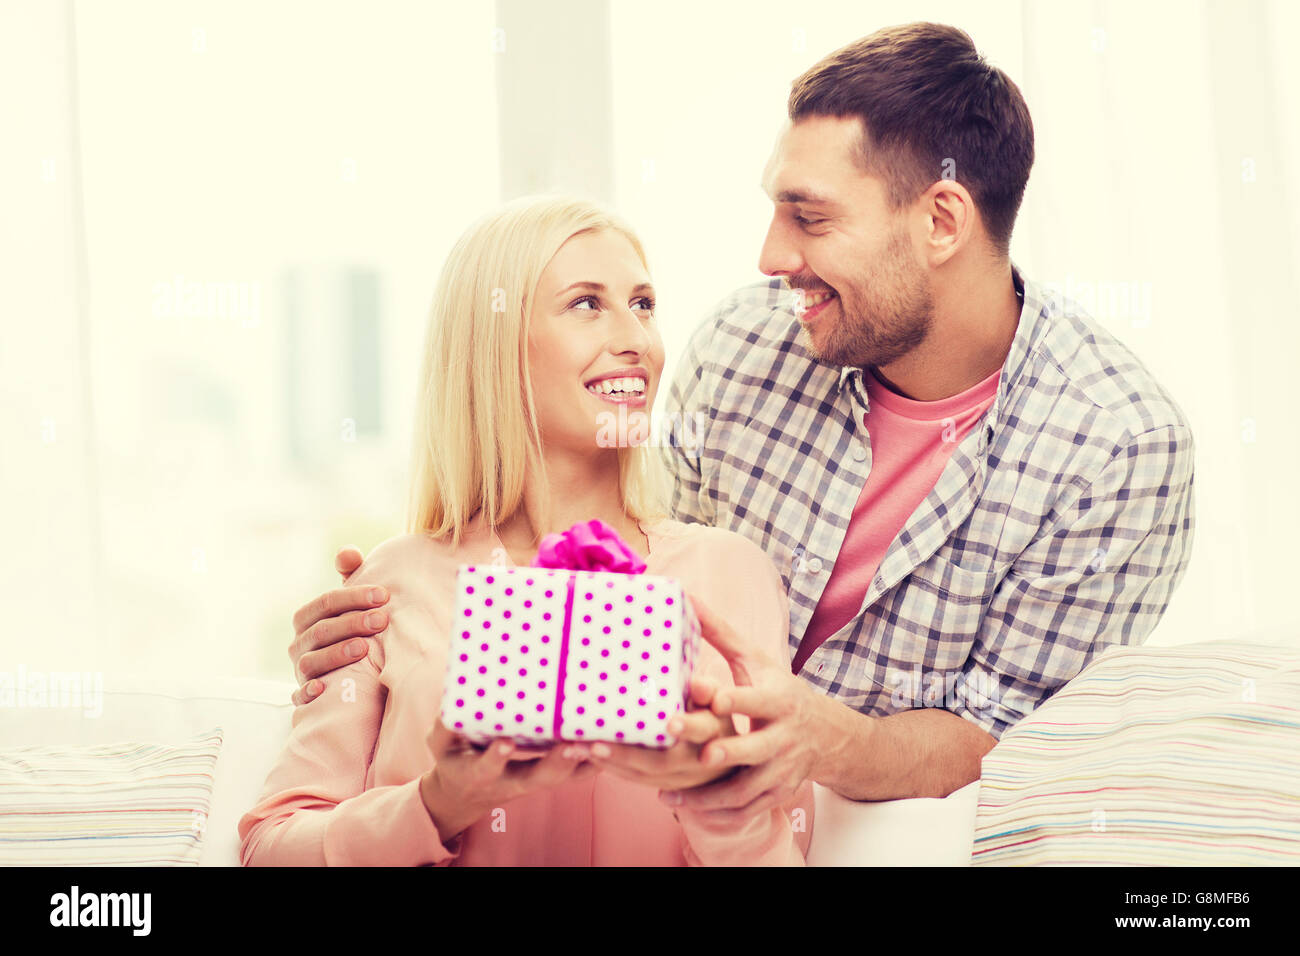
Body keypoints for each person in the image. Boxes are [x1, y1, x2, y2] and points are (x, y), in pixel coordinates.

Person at [289, 22, 1195, 826]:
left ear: (942, 219)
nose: (771, 256)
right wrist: (403, 626)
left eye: (809, 217)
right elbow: (634, 551)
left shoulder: (1118, 448)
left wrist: (818, 743)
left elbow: (1011, 738)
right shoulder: (745, 343)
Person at [240, 196, 813, 865]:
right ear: (496, 341)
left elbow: (790, 846)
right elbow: (273, 848)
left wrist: (718, 798)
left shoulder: (731, 572)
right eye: (586, 304)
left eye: (644, 303)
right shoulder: (389, 586)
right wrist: (436, 804)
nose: (636, 339)